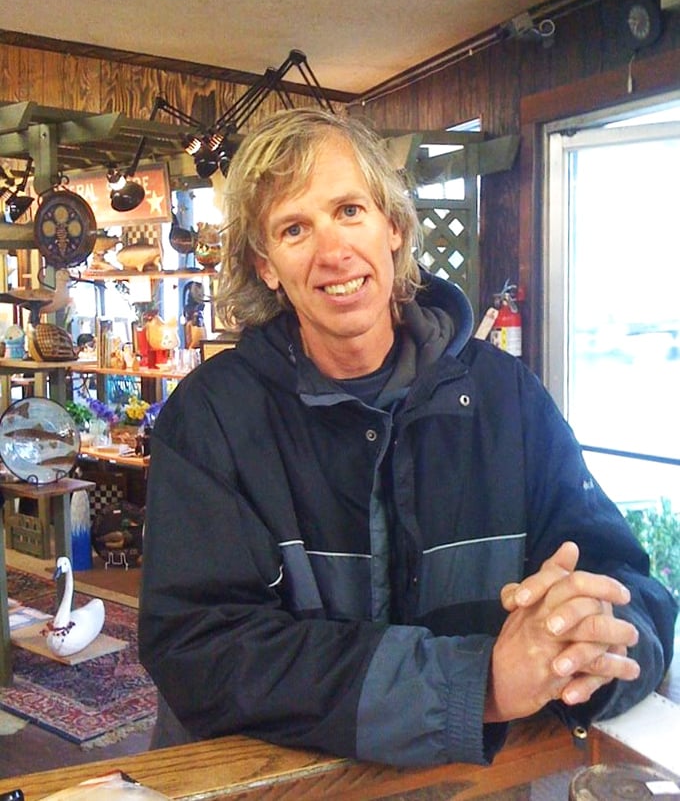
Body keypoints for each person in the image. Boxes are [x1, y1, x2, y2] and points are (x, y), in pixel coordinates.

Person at [138, 107, 677, 767]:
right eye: (294, 227)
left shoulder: (508, 396)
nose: (333, 251)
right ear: (267, 264)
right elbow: (198, 649)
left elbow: (628, 581)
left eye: (349, 210)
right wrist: (474, 683)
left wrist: (592, 642)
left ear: (393, 225)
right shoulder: (211, 417)